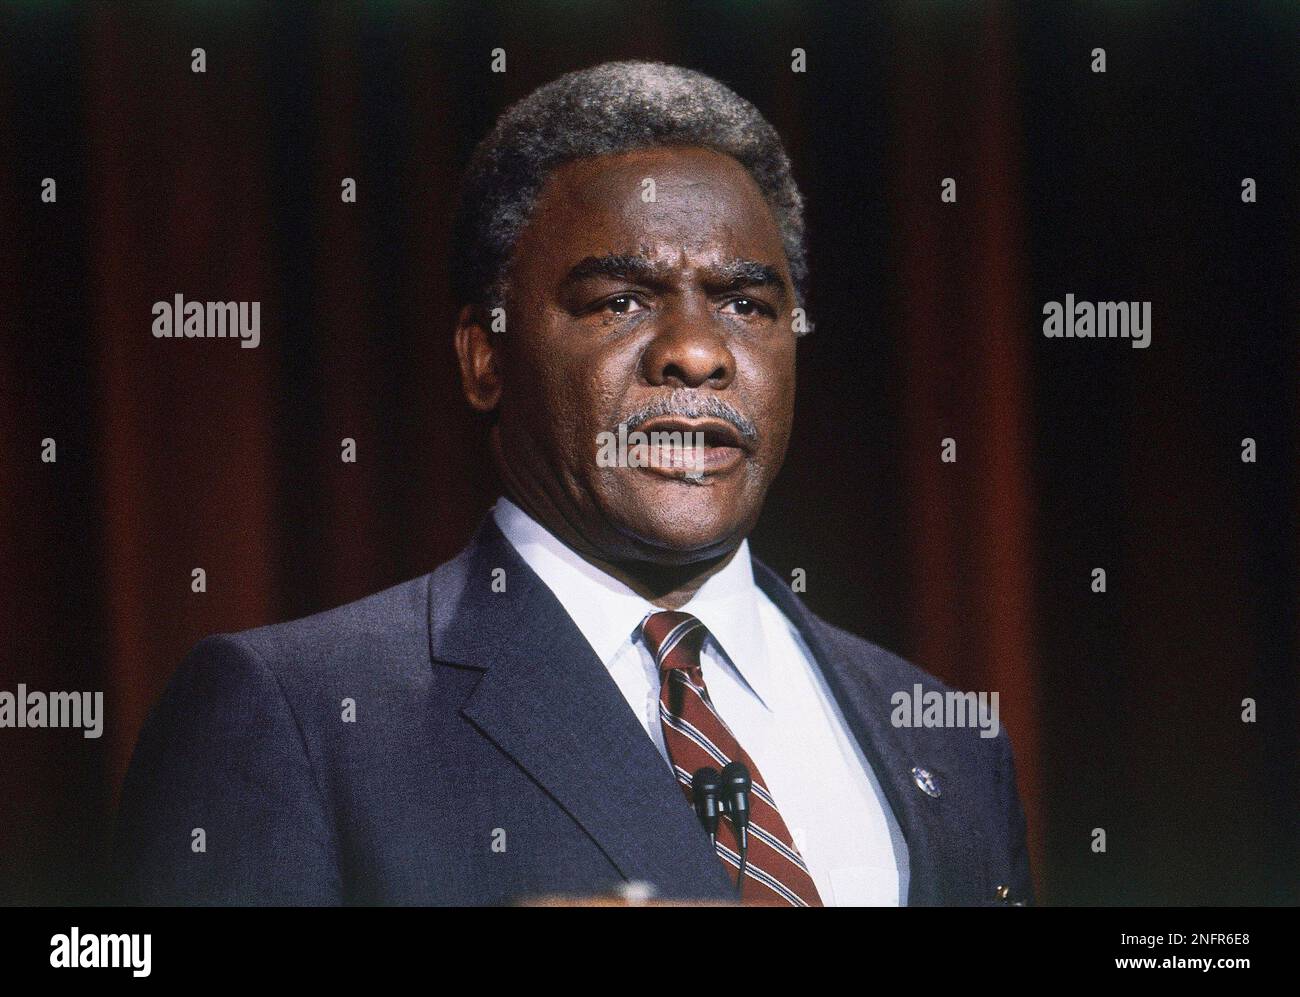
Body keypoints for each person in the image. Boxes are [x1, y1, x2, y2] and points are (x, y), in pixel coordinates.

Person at [115, 61, 1032, 907]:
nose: (698, 352)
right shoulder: (296, 718)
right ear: (485, 356)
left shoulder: (948, 740)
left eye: (747, 304)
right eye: (619, 302)